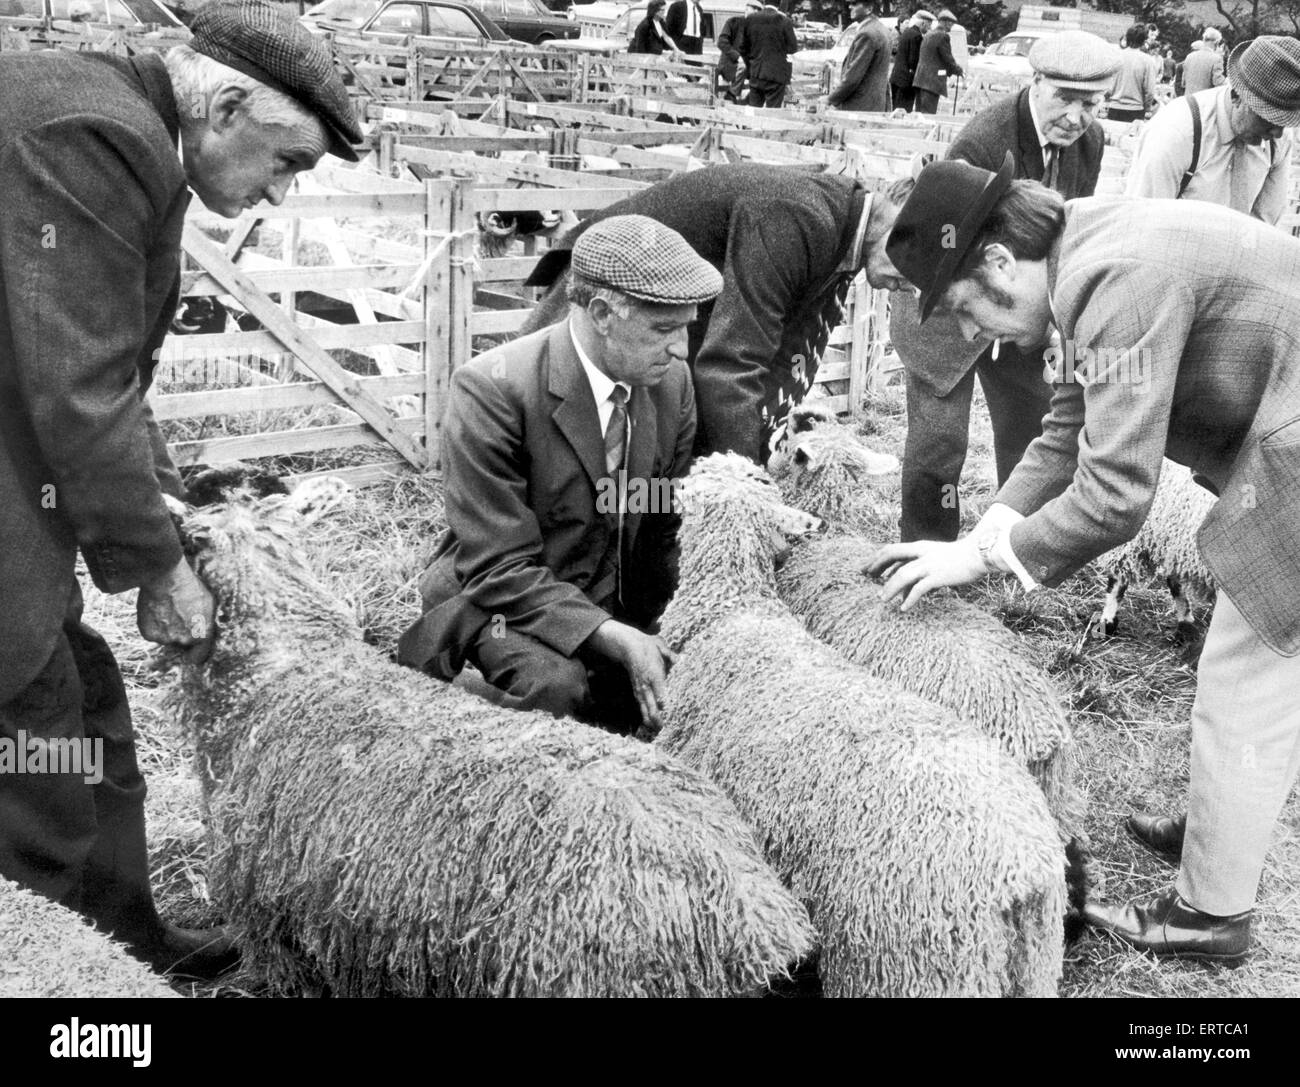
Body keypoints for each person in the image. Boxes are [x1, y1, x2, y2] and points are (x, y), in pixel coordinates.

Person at [0, 0, 360, 978]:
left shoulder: (125, 124)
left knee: (87, 704)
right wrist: (158, 571)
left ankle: (121, 935)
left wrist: (169, 503)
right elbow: (75, 387)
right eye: (288, 162)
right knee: (29, 737)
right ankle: (54, 976)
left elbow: (97, 366)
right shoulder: (99, 134)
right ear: (228, 105)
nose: (284, 195)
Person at [868, 155, 1300, 966]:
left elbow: (1116, 494)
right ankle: (1219, 835)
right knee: (1248, 671)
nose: (969, 336)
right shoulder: (1080, 256)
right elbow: (1068, 429)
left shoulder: (1118, 281)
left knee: (1251, 681)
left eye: (964, 311)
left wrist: (991, 566)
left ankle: (1212, 914)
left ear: (997, 262)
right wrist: (981, 535)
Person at [397, 216, 721, 735]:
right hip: (500, 603)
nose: (682, 348)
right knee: (559, 691)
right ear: (601, 313)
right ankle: (458, 702)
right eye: (663, 329)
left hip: (606, 599)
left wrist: (669, 624)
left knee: (654, 700)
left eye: (688, 326)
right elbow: (498, 564)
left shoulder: (670, 383)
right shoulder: (492, 390)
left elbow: (661, 518)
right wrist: (615, 637)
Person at [521, 164, 915, 464]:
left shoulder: (840, 232)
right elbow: (731, 365)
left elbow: (773, 347)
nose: (912, 287)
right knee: (560, 467)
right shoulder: (799, 217)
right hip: (605, 306)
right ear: (900, 226)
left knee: (647, 501)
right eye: (917, 270)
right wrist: (744, 484)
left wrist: (771, 441)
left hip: (657, 339)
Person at [891, 31, 1119, 543]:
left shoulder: (1091, 141)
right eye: (1065, 98)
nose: (1077, 117)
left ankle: (1012, 546)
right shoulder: (984, 142)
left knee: (1034, 425)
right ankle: (927, 551)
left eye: (1091, 104)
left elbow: (1065, 233)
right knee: (940, 445)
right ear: (1036, 83)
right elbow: (951, 252)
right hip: (950, 301)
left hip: (1021, 304)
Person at [1126, 35, 1297, 227]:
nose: (1278, 132)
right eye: (1269, 117)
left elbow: (1264, 225)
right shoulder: (1176, 131)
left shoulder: (1279, 142)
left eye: (1285, 121)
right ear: (1236, 95)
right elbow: (1143, 225)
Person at [827, 0, 891, 112]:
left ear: (869, 9)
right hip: (876, 105)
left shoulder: (867, 34)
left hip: (860, 107)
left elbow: (853, 78)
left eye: (855, 3)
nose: (850, 6)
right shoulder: (882, 29)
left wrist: (829, 100)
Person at [734, 0, 798, 108]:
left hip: (756, 73)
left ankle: (752, 125)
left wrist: (750, 66)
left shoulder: (750, 19)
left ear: (764, 2)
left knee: (754, 110)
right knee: (772, 114)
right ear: (779, 3)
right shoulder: (784, 21)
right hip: (776, 76)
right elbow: (793, 48)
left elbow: (742, 48)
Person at [911, 8, 961, 114]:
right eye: (951, 23)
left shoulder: (929, 34)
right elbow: (948, 58)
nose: (952, 26)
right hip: (931, 83)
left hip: (920, 81)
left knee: (919, 115)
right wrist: (959, 70)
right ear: (946, 22)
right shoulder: (943, 36)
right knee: (929, 115)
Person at [1106, 24, 1158, 123]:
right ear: (1144, 40)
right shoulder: (1147, 61)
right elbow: (1150, 91)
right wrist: (1147, 108)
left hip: (1114, 107)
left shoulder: (1116, 57)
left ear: (1127, 38)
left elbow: (1108, 85)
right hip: (1136, 110)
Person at [717, 0, 762, 102]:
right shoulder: (733, 22)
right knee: (743, 67)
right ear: (746, 9)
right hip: (730, 65)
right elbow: (722, 42)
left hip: (750, 68)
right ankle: (731, 95)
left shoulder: (758, 28)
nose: (756, 12)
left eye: (758, 10)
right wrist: (737, 57)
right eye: (754, 8)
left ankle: (746, 103)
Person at [890, 8, 932, 112]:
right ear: (923, 23)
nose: (929, 28)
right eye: (929, 25)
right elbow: (913, 61)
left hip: (896, 78)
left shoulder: (906, 32)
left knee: (894, 109)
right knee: (903, 112)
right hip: (906, 82)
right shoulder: (917, 36)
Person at [1181, 27, 1226, 96]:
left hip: (1187, 101)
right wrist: (1228, 82)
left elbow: (1183, 83)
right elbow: (1218, 83)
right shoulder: (1217, 59)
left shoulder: (1189, 57)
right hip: (1204, 103)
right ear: (1216, 43)